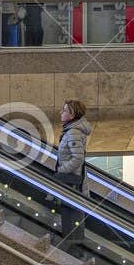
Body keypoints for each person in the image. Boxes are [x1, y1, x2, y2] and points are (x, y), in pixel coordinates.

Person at [54, 99, 91, 247]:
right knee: (72, 214)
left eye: (64, 110)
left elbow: (78, 158)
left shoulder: (73, 132)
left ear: (72, 114)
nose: (61, 113)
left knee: (71, 215)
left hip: (71, 181)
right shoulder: (70, 130)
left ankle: (73, 248)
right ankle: (73, 246)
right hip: (71, 179)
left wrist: (61, 171)